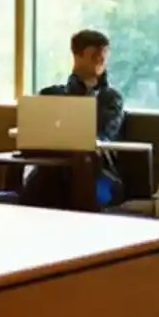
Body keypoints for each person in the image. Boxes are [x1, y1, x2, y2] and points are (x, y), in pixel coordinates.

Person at [20, 29, 125, 209]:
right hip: (52, 170)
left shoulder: (110, 98)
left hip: (98, 172)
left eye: (104, 55)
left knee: (72, 184)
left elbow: (104, 134)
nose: (101, 60)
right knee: (39, 184)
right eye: (95, 55)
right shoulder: (50, 95)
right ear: (77, 56)